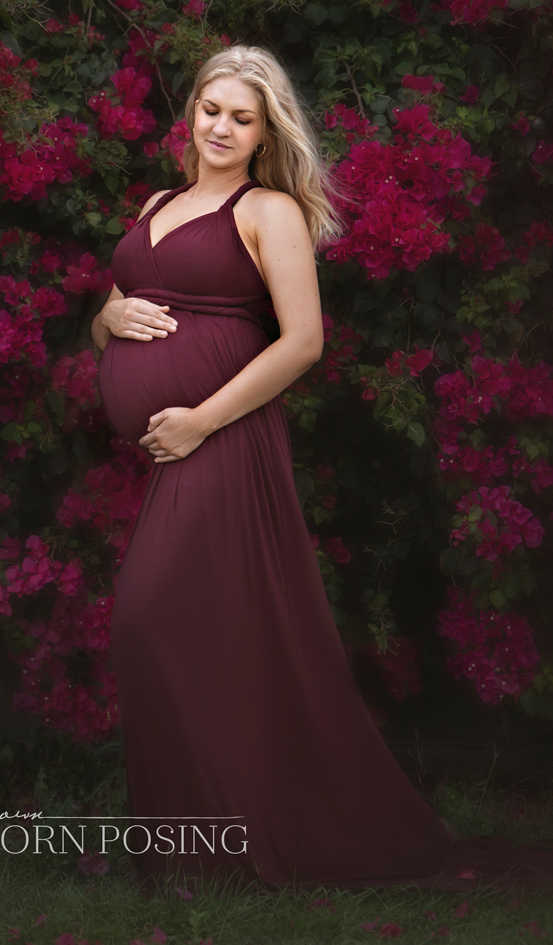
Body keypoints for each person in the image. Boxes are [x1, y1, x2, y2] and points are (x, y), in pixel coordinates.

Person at [90, 44, 553, 898]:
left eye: (242, 116)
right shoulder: (158, 202)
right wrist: (105, 317)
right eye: (211, 109)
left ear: (266, 131)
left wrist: (197, 420)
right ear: (187, 113)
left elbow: (303, 341)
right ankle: (195, 853)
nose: (221, 127)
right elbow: (125, 321)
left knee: (148, 623)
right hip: (182, 445)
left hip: (224, 438)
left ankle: (224, 845)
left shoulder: (267, 210)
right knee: (203, 637)